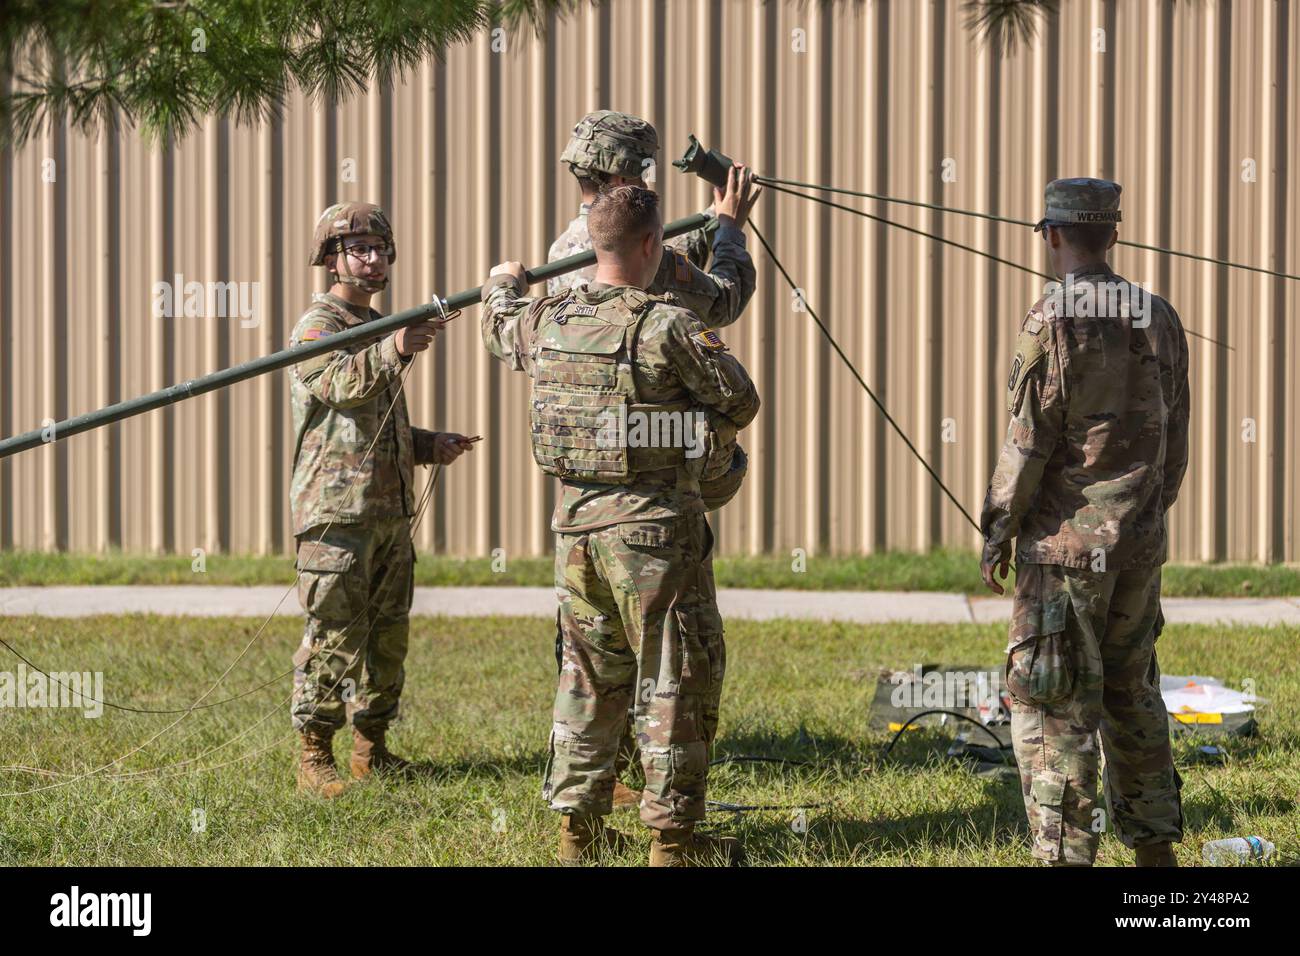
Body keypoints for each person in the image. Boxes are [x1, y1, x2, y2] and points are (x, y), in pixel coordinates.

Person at [481, 185, 760, 865]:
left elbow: (498, 325)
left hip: (576, 532)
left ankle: (577, 831)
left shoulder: (547, 318)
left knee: (587, 677)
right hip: (655, 534)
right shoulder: (666, 325)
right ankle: (674, 840)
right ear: (649, 246)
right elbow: (741, 400)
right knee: (675, 678)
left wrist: (501, 282)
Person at [550, 110, 762, 808]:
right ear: (626, 174)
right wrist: (727, 229)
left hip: (582, 490)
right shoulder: (652, 258)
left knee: (591, 654)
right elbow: (722, 299)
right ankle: (666, 809)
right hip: (653, 495)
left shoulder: (563, 252)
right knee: (673, 656)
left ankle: (593, 791)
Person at [980, 178, 1190, 866]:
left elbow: (1027, 441)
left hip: (1066, 554)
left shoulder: (1051, 319)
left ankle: (1066, 855)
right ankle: (1155, 856)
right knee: (1134, 696)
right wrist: (1149, 515)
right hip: (1138, 544)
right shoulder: (1158, 314)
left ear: (1053, 235)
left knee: (1057, 711)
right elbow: (1176, 436)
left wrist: (998, 529)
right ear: (1115, 234)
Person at [289, 201, 476, 797]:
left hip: (390, 515)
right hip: (335, 518)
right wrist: (395, 348)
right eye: (358, 249)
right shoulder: (318, 326)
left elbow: (376, 425)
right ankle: (314, 757)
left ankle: (373, 748)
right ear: (330, 259)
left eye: (380, 249)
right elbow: (340, 388)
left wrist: (428, 444)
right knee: (333, 638)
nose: (372, 260)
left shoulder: (383, 328)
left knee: (388, 639)